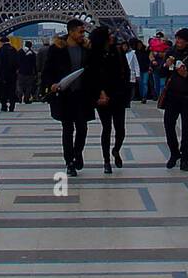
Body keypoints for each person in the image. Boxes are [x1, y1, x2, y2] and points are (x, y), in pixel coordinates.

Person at [41, 19, 95, 177]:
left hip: (82, 95)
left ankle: (77, 153)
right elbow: (47, 70)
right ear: (70, 32)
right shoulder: (56, 49)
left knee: (82, 128)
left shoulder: (86, 49)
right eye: (80, 31)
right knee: (68, 129)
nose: (83, 34)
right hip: (65, 95)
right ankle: (69, 161)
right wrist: (50, 84)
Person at [161, 28, 188, 172]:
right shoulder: (171, 52)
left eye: (181, 39)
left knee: (186, 129)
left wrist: (187, 75)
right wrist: (166, 65)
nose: (178, 41)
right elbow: (161, 73)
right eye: (177, 38)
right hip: (172, 96)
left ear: (187, 41)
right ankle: (174, 152)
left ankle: (185, 158)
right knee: (168, 125)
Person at [90, 26, 131, 174]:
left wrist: (124, 91)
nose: (112, 36)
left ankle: (116, 150)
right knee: (106, 128)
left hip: (118, 95)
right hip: (103, 97)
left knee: (120, 129)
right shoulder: (94, 54)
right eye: (109, 34)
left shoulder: (118, 51)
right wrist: (99, 94)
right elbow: (91, 76)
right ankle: (106, 161)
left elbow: (126, 72)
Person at [0, 37, 20, 112]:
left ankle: (4, 106)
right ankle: (12, 106)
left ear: (2, 42)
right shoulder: (13, 49)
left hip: (4, 74)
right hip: (13, 74)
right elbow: (17, 62)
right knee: (12, 91)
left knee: (3, 91)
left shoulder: (1, 50)